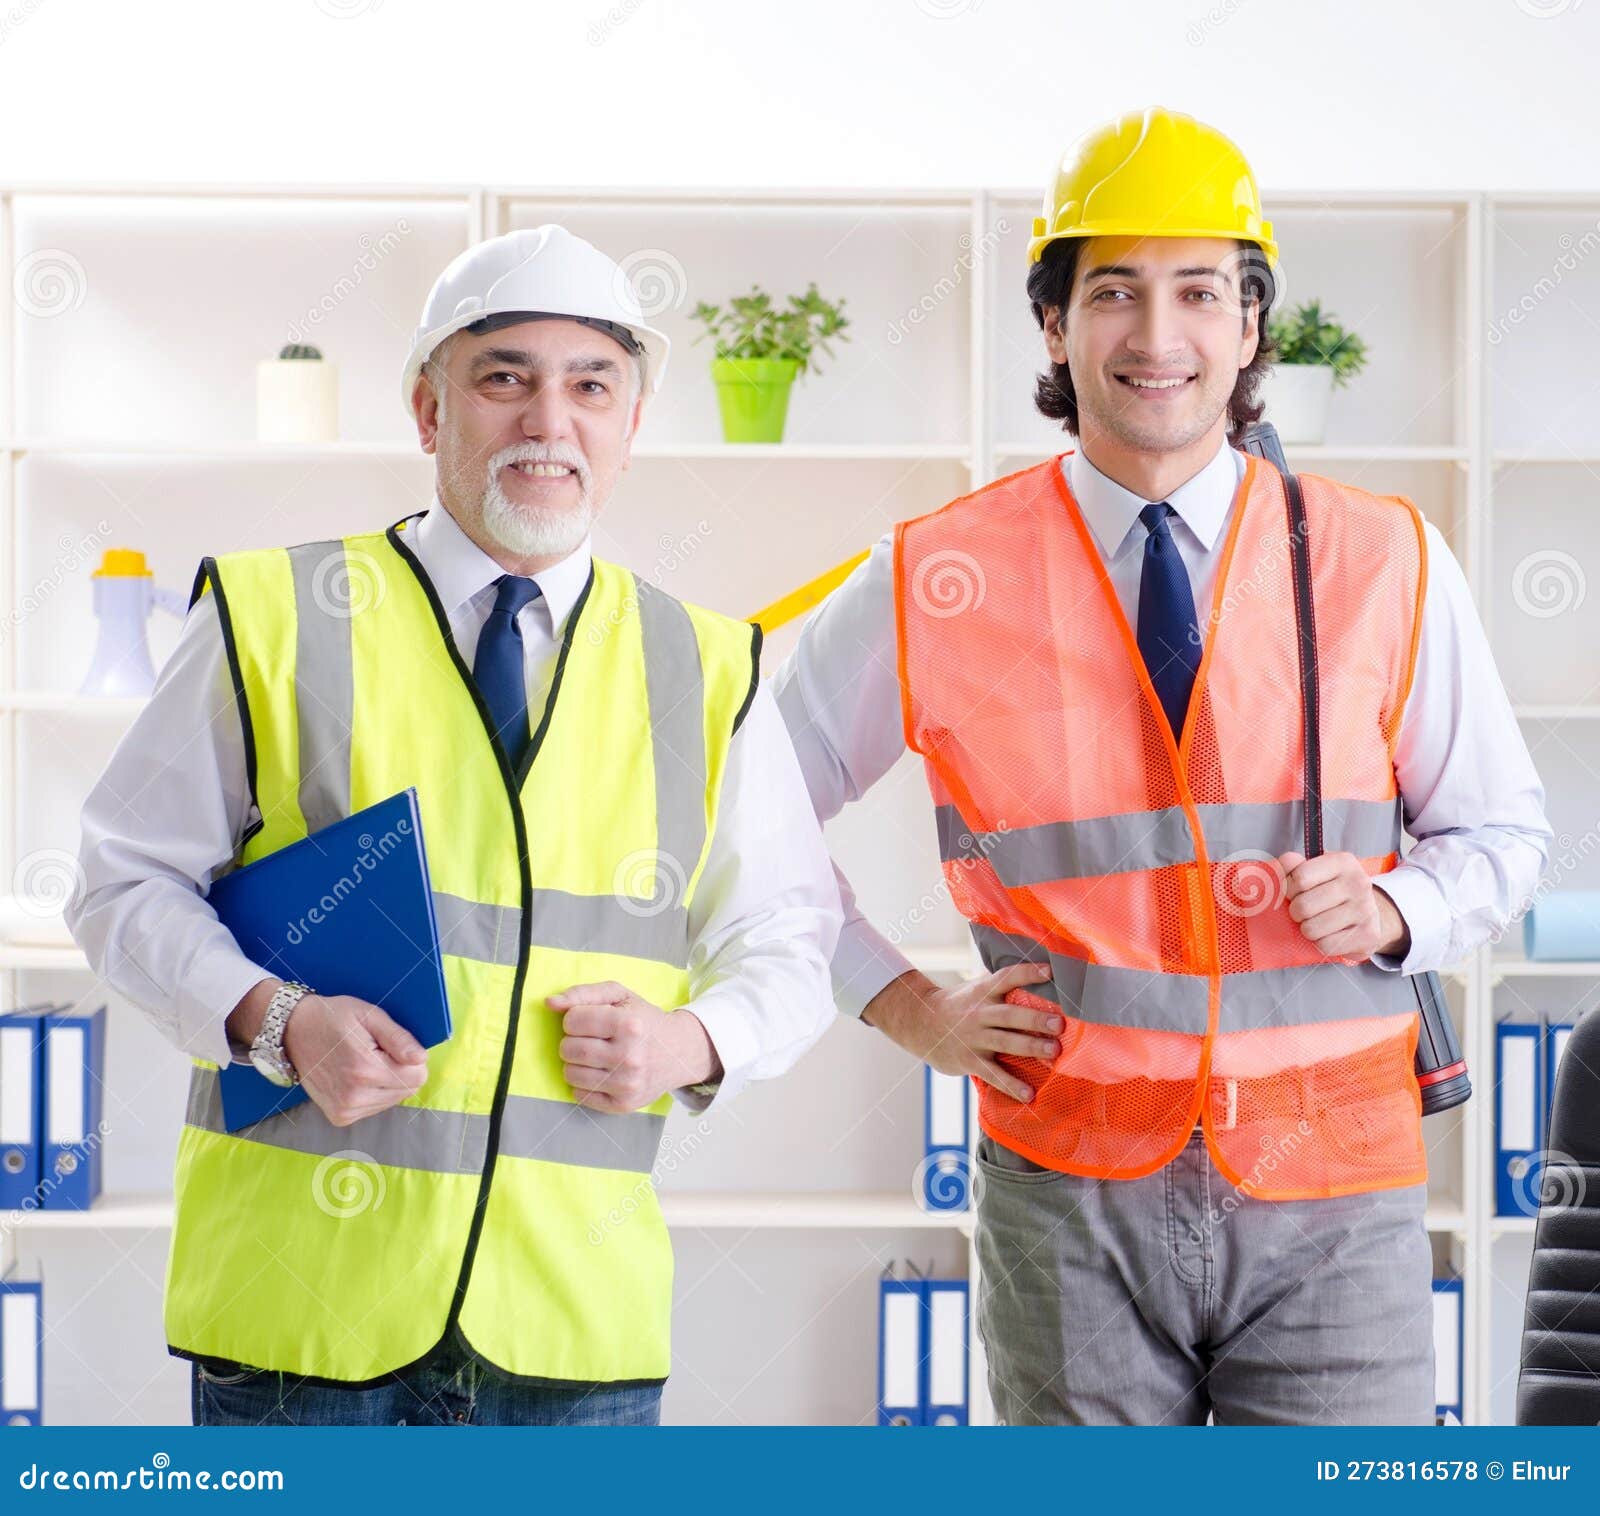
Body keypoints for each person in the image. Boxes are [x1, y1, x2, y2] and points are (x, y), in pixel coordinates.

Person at [772, 107, 1551, 1425]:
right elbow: (751, 817)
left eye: (1199, 290)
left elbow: (1505, 836)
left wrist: (1402, 905)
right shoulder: (932, 575)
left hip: (1335, 1192)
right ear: (1055, 327)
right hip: (1067, 1195)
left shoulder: (1385, 555)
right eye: (1114, 292)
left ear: (1250, 327)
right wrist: (903, 1006)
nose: (1155, 335)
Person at [66, 224, 842, 1427]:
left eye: (592, 385)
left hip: (568, 1333)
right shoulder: (276, 616)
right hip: (301, 1331)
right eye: (503, 378)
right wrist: (274, 1020)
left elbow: (791, 941)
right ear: (429, 411)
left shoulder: (703, 664)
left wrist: (692, 1042)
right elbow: (121, 884)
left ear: (630, 427)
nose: (549, 419)